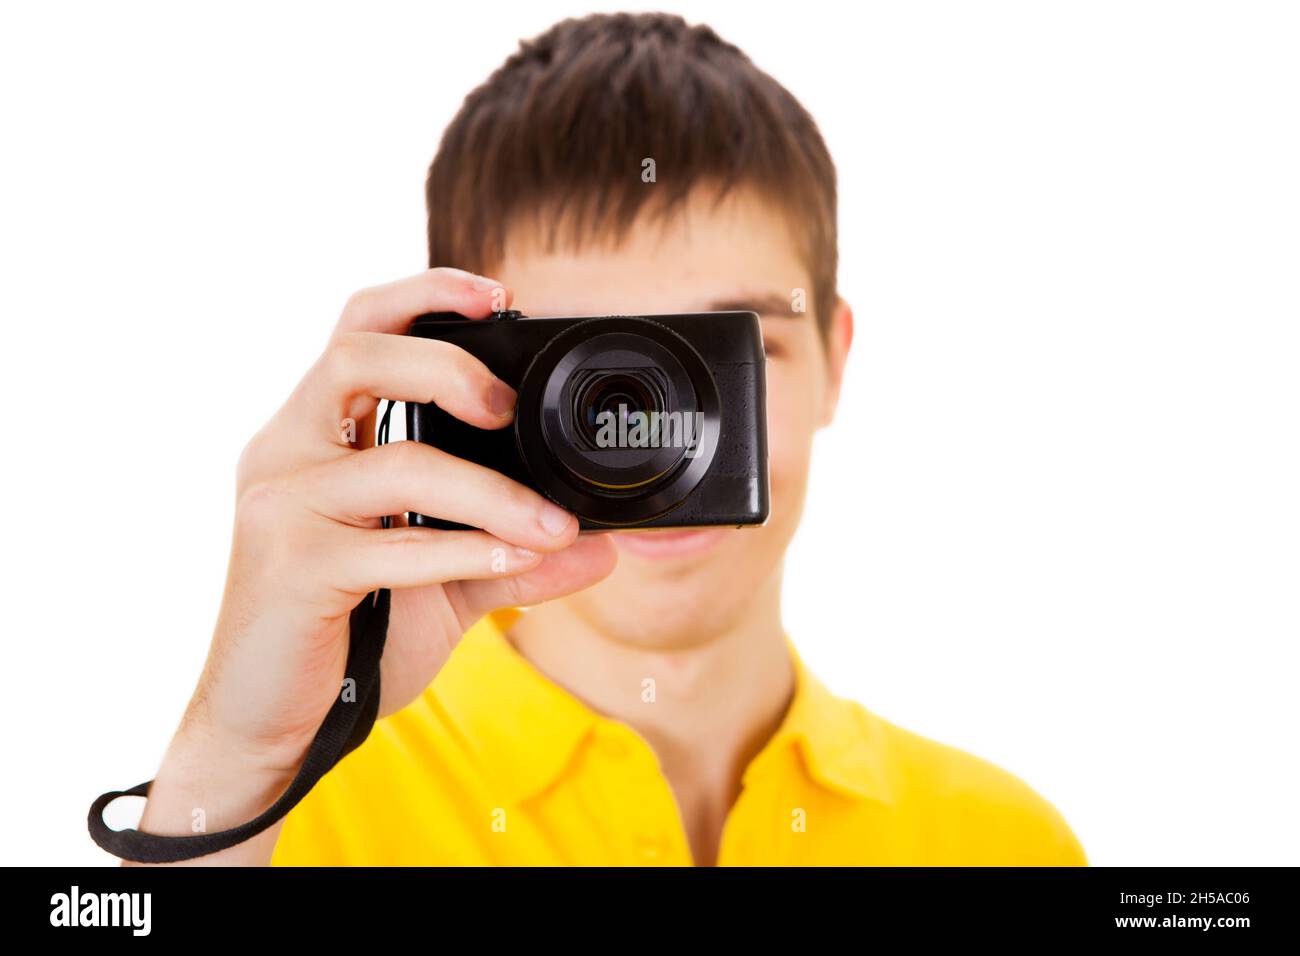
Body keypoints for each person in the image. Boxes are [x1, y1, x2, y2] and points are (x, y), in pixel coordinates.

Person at [128, 12, 1086, 867]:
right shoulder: (285, 818)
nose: (662, 441)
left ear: (835, 360)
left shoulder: (1004, 845)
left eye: (729, 353)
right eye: (590, 379)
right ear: (453, 375)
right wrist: (240, 759)